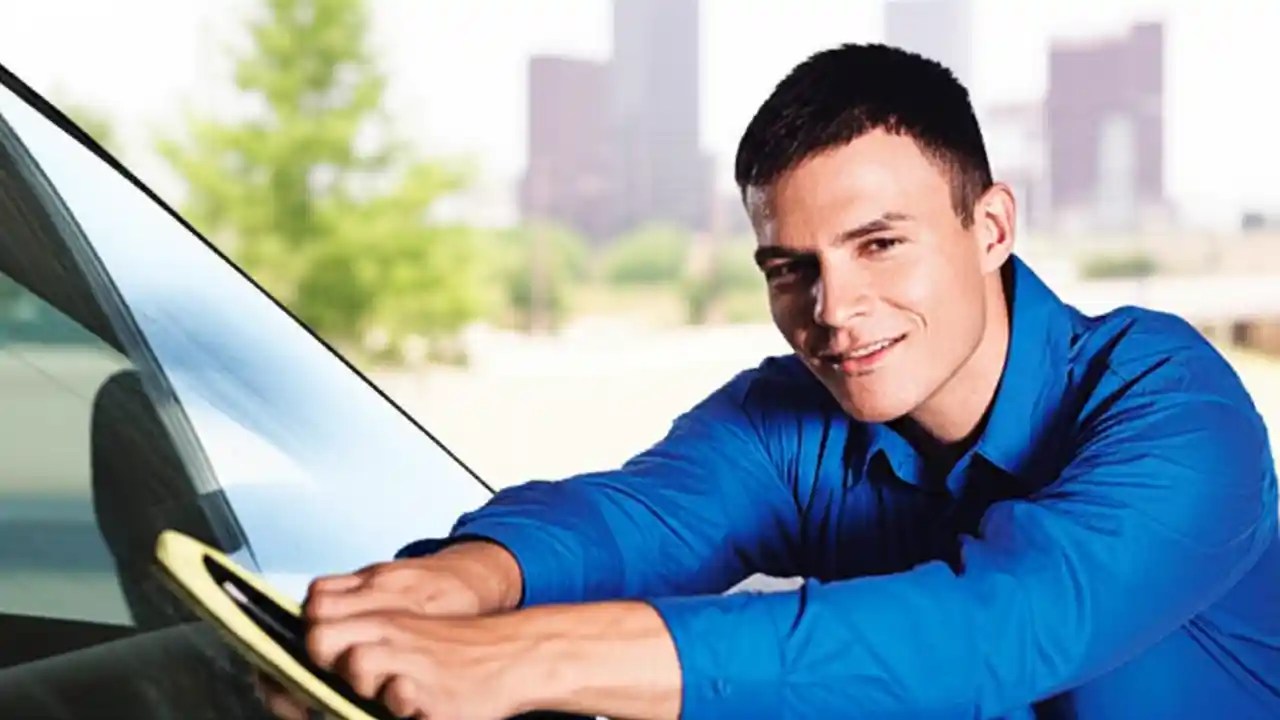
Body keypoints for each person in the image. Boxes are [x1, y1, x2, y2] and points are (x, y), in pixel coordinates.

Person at [261, 43, 1280, 719]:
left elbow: (996, 629)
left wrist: (528, 657)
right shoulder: (791, 418)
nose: (831, 311)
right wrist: (461, 581)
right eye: (790, 268)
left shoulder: (1167, 403)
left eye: (878, 244)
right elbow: (635, 519)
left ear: (989, 228)